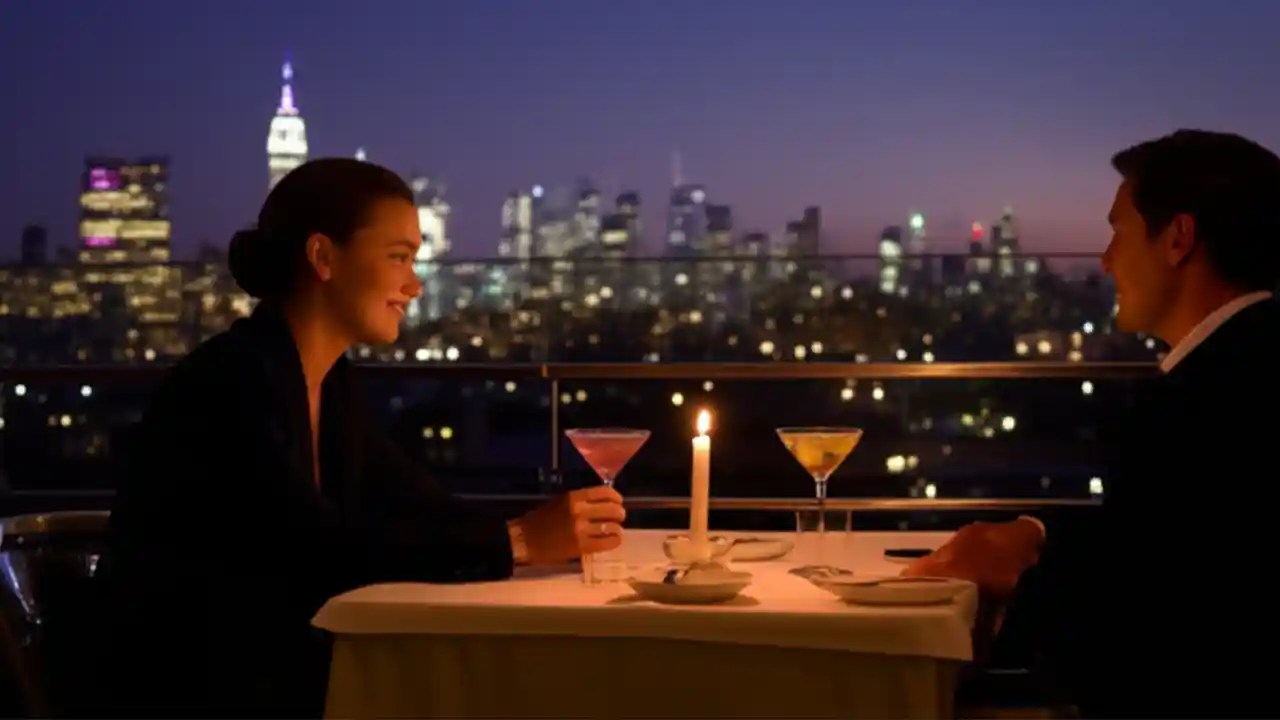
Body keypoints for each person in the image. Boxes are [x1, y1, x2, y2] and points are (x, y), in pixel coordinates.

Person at [99, 158, 627, 717]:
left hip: (273, 676)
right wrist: (517, 542)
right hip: (188, 692)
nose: (415, 284)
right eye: (398, 257)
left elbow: (415, 505)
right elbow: (315, 553)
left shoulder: (330, 383)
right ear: (323, 256)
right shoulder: (232, 384)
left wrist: (536, 532)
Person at [904, 129, 1280, 717]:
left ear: (1178, 238)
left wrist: (1015, 588)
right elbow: (1173, 551)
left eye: (1117, 231)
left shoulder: (1197, 406)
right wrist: (1042, 536)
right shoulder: (1242, 371)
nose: (1104, 261)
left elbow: (1146, 638)